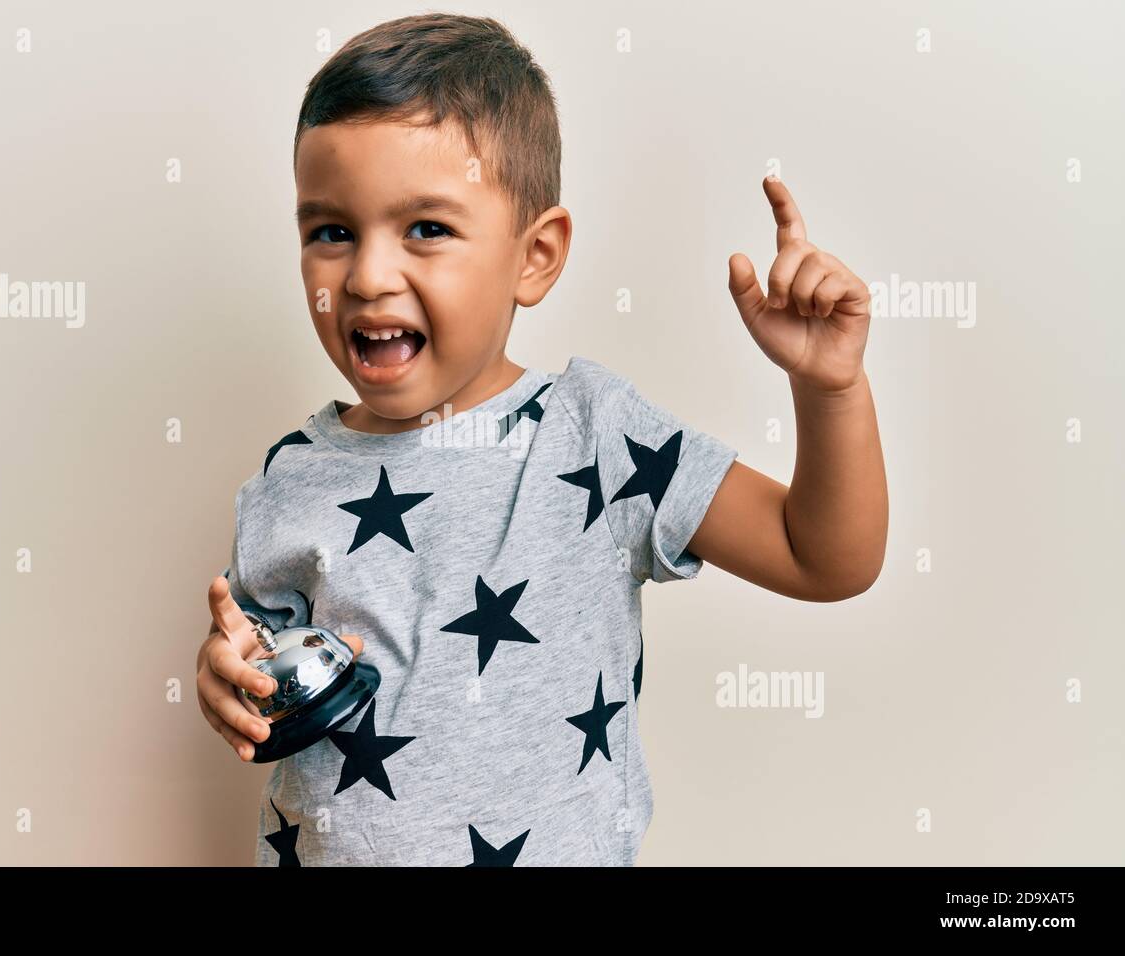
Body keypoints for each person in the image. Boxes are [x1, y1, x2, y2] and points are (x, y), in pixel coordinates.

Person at [196, 12, 887, 866]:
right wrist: (227, 679)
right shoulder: (290, 476)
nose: (369, 276)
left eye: (427, 229)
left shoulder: (596, 437)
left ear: (536, 255)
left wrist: (830, 389)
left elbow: (825, 557)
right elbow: (263, 674)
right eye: (331, 231)